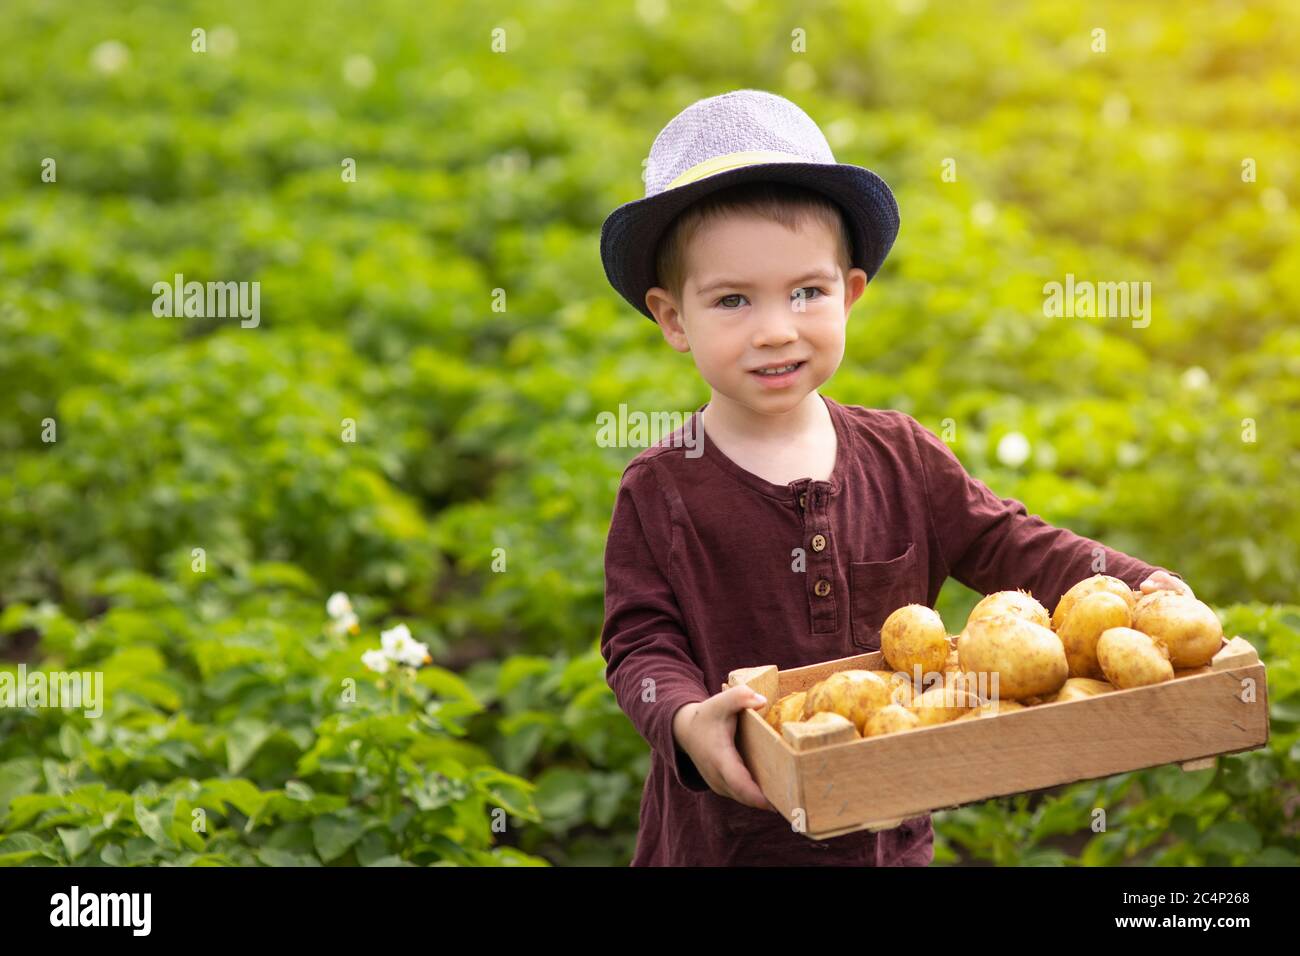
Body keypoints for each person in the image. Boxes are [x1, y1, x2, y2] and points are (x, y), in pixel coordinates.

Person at [597, 89, 1191, 866]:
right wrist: (683, 719)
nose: (777, 328)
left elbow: (1012, 545)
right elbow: (639, 640)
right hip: (729, 840)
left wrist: (1141, 586)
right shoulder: (661, 488)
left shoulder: (902, 458)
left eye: (806, 293)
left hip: (889, 841)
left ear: (850, 294)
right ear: (674, 319)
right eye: (733, 300)